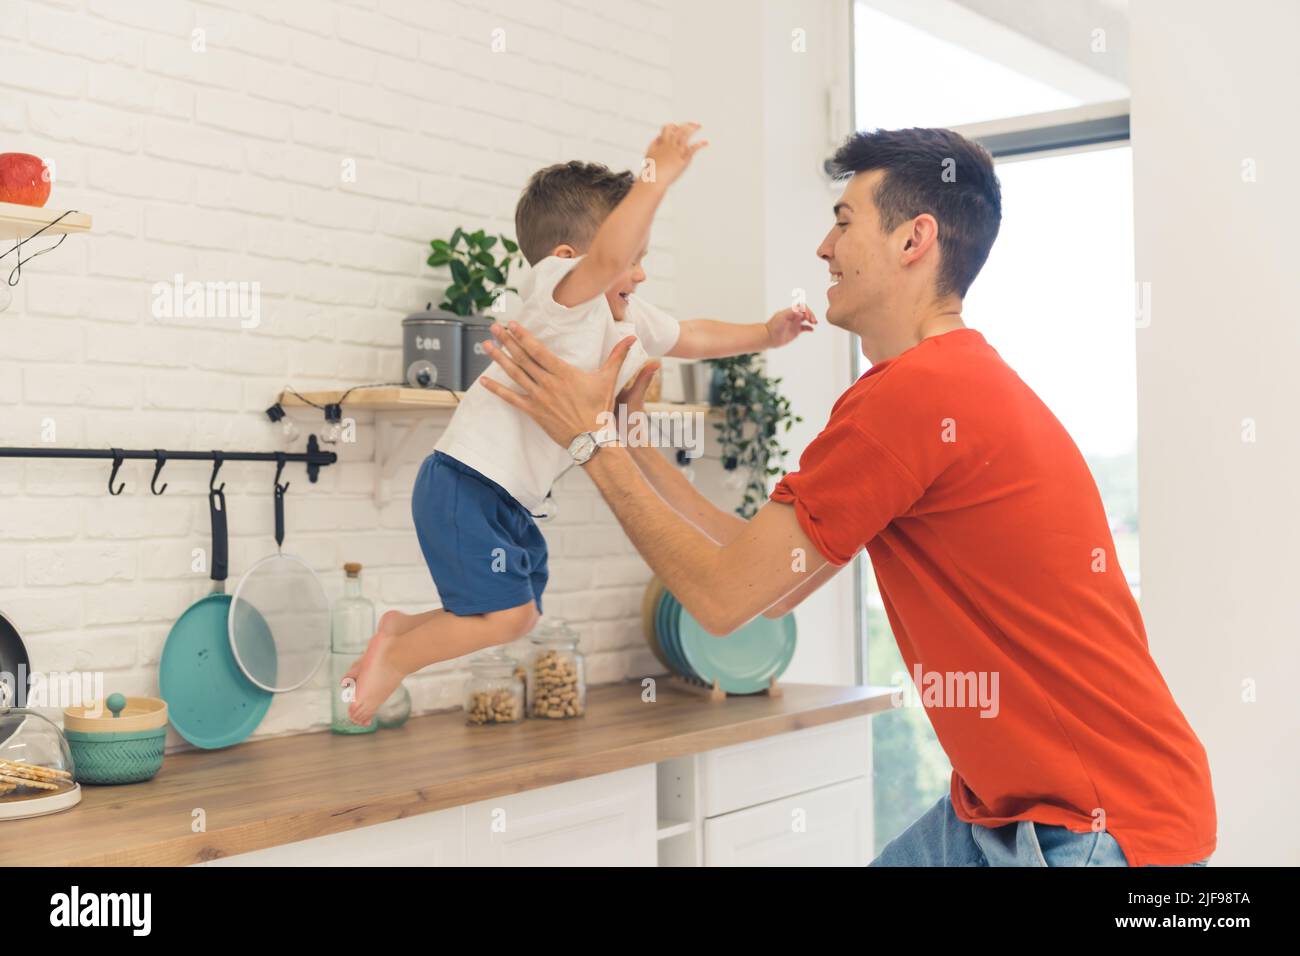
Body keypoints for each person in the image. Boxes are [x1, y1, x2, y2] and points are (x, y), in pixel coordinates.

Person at [478, 126, 1217, 867]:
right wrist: (632, 448)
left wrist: (589, 442)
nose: (823, 250)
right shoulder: (942, 383)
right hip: (1010, 809)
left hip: (1091, 829)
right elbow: (763, 582)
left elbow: (722, 601)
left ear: (913, 240)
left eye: (842, 222)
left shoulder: (915, 398)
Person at [344, 123, 814, 725]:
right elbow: (610, 257)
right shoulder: (557, 297)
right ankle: (399, 655)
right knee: (509, 616)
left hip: (510, 499)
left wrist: (766, 334)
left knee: (523, 613)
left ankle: (401, 631)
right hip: (465, 483)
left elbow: (692, 334)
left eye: (642, 261)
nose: (638, 274)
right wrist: (656, 173)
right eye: (632, 260)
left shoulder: (623, 313)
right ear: (568, 260)